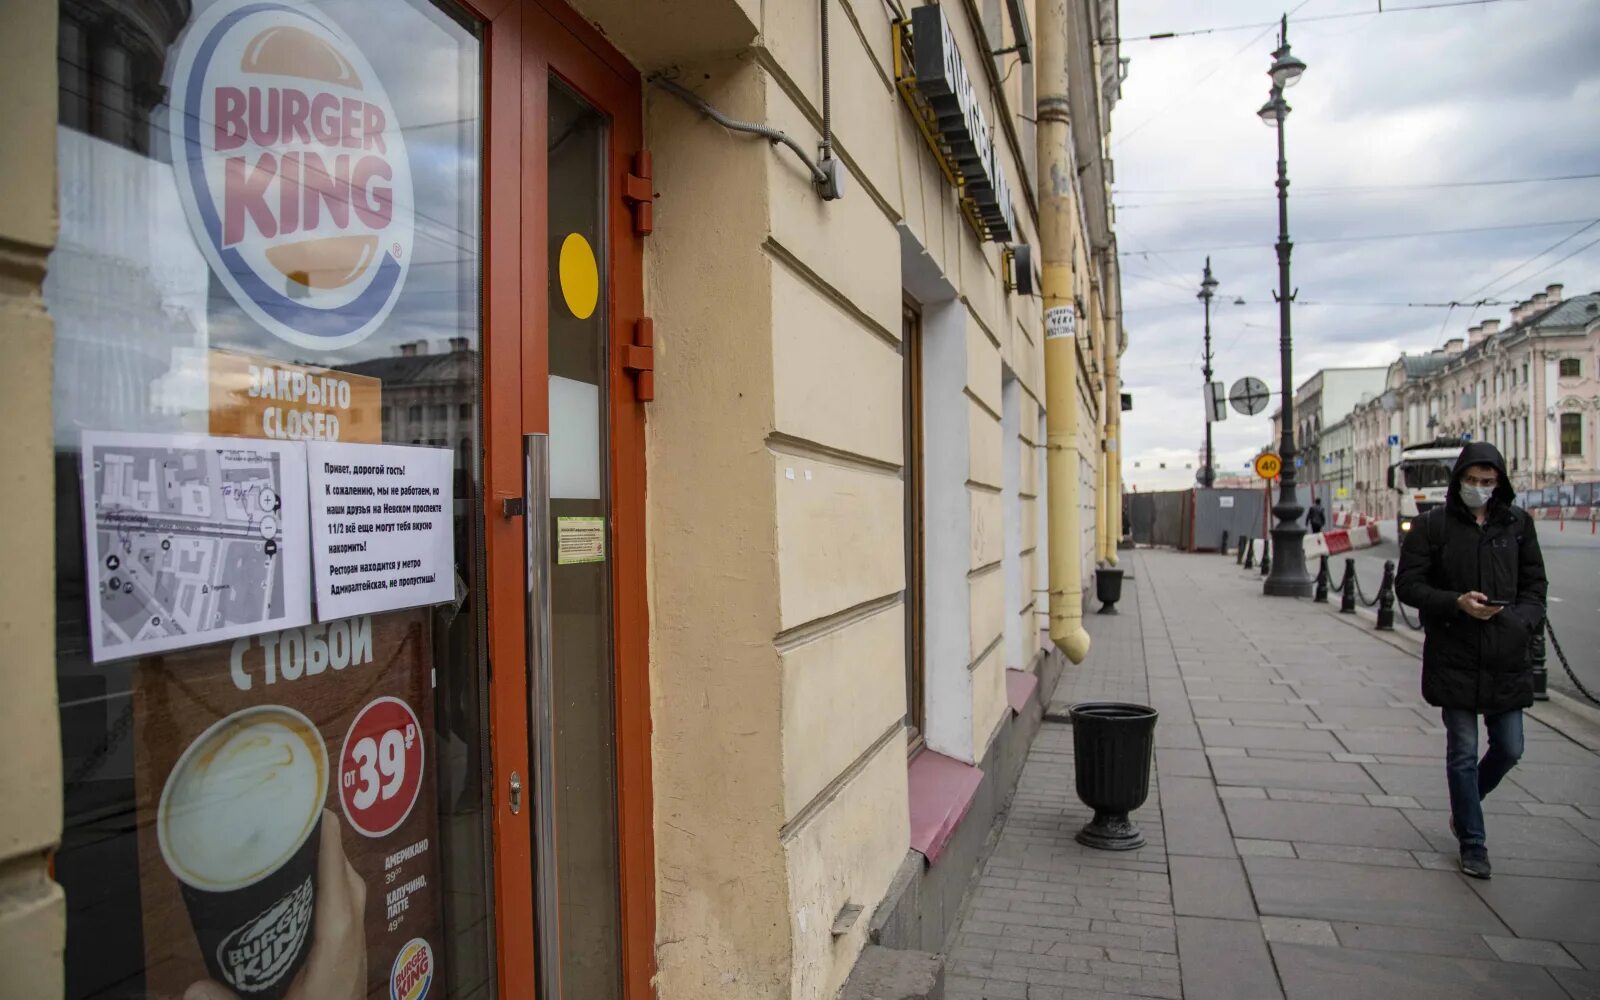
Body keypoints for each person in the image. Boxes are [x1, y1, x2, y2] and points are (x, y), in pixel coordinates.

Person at [1395, 442, 1545, 880]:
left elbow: (1535, 583)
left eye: (1487, 482)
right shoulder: (1432, 526)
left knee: (1510, 748)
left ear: (1499, 483)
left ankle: (1464, 810)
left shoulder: (1518, 525)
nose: (1479, 489)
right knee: (1461, 751)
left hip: (1505, 654)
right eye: (1472, 481)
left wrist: (1521, 621)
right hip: (1454, 651)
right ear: (1458, 479)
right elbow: (1409, 586)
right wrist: (1456, 603)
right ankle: (1473, 843)